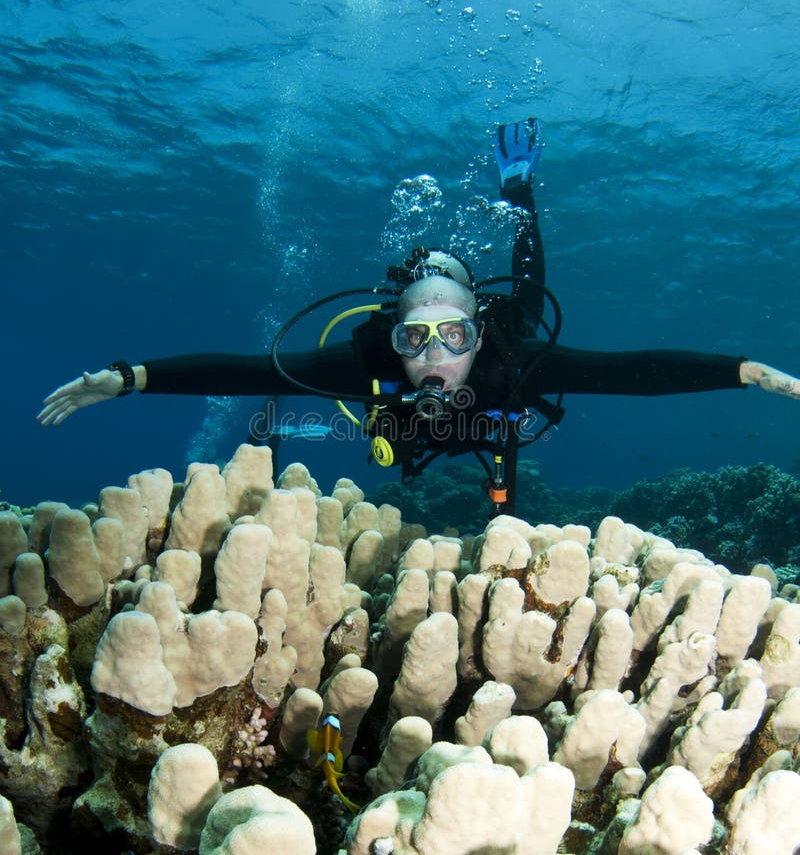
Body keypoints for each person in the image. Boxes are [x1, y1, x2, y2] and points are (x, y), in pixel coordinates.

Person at [38, 119, 800, 516]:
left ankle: (521, 194)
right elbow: (242, 371)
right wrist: (129, 377)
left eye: (454, 335)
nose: (434, 354)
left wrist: (743, 372)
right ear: (390, 335)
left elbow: (635, 374)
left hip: (509, 340)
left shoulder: (508, 356)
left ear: (476, 330)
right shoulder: (368, 362)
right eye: (415, 337)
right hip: (417, 424)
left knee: (529, 297)